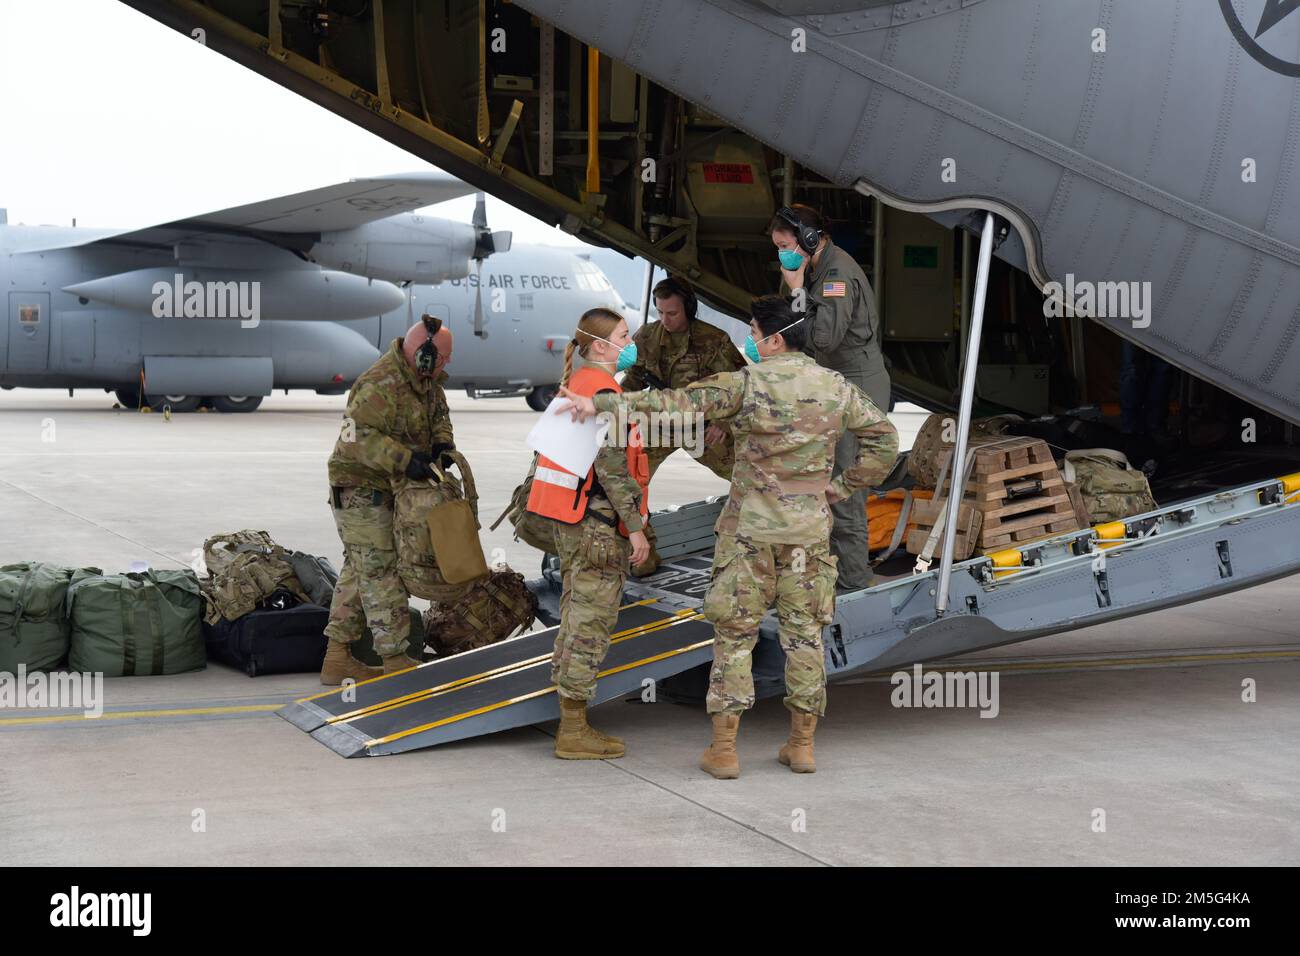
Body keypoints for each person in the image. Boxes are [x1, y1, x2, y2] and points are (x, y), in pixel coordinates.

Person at [558, 296, 898, 778]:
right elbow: (884, 439)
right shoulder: (835, 388)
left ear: (776, 338)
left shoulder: (746, 385)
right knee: (805, 638)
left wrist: (606, 401)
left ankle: (725, 750)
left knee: (735, 637)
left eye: (756, 333)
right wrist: (840, 488)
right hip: (807, 537)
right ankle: (801, 746)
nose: (751, 343)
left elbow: (677, 403)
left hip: (749, 537)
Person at [526, 307, 652, 759]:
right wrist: (636, 530)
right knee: (590, 623)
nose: (630, 341)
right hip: (598, 526)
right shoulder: (602, 392)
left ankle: (568, 712)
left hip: (574, 522)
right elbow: (614, 469)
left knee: (576, 614)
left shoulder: (579, 384)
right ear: (601, 346)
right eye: (624, 335)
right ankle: (574, 728)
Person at [319, 315, 456, 683]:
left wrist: (442, 442)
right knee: (381, 571)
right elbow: (354, 436)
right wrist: (406, 459)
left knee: (360, 567)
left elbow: (438, 410)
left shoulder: (424, 380)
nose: (447, 364)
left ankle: (336, 658)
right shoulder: (380, 383)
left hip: (389, 488)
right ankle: (395, 660)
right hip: (360, 487)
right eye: (443, 358)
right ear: (423, 355)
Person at [771, 204, 890, 593]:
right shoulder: (816, 268)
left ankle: (856, 583)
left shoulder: (835, 274)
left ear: (809, 238)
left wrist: (795, 289)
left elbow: (823, 338)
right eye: (778, 248)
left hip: (857, 385)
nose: (783, 256)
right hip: (837, 381)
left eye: (787, 246)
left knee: (845, 489)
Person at [619, 275, 745, 574]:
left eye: (672, 313)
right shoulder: (646, 337)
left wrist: (724, 423)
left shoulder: (713, 340)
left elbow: (741, 385)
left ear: (688, 308)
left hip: (704, 427)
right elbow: (633, 381)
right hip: (660, 423)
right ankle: (641, 559)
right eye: (660, 312)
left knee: (749, 477)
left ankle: (754, 548)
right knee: (627, 483)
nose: (665, 320)